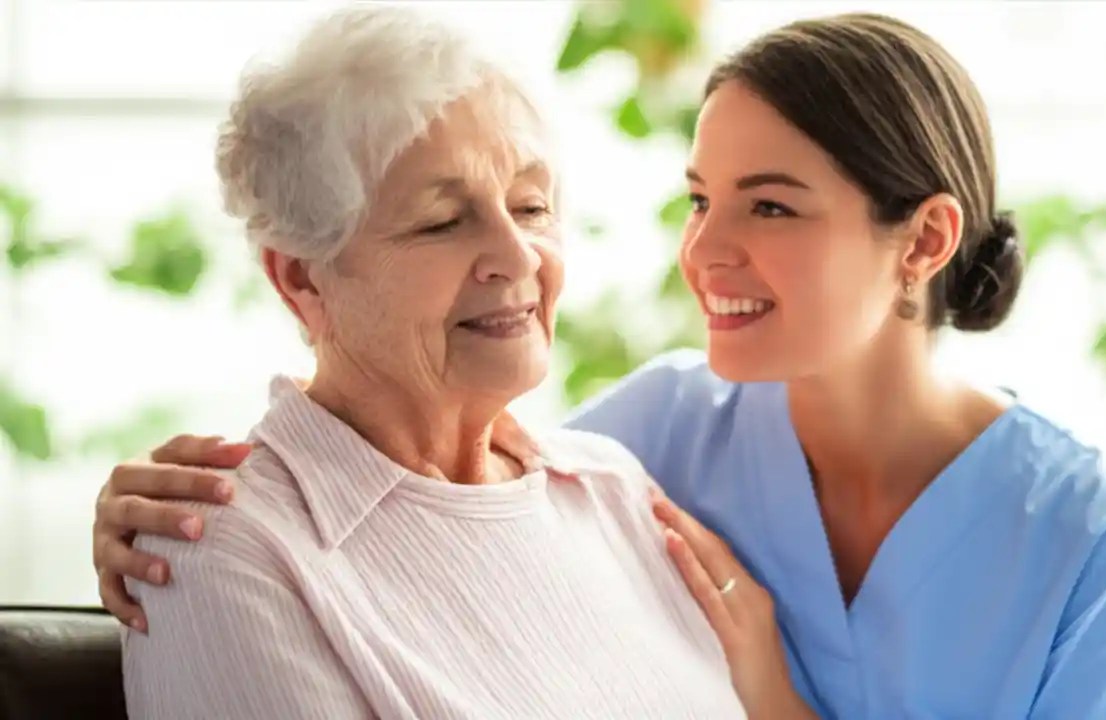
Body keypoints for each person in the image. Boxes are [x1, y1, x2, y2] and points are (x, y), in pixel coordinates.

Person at [93, 11, 1106, 720]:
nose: (704, 250)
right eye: (698, 200)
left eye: (768, 205)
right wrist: (153, 510)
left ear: (919, 241)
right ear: (299, 280)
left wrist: (773, 703)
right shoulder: (652, 443)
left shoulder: (1091, 537)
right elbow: (414, 474)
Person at [109, 7, 762, 719]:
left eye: (531, 205)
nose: (517, 256)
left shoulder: (612, 489)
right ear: (301, 280)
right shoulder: (223, 549)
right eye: (442, 222)